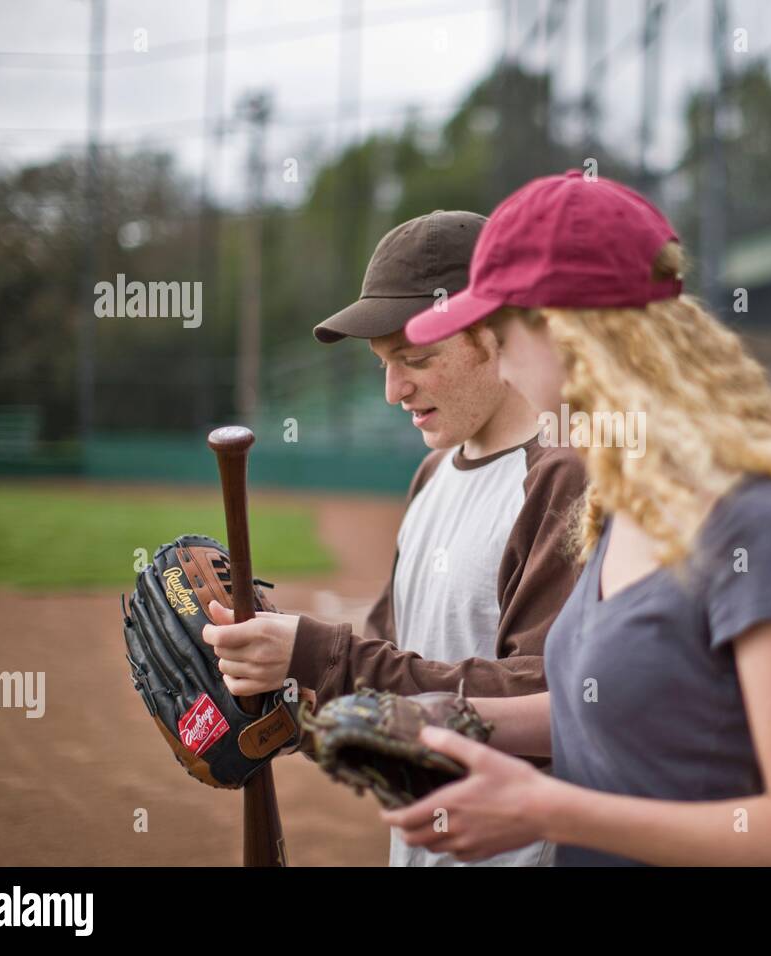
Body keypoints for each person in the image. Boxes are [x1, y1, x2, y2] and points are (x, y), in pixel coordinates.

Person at [378, 171, 771, 866]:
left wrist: (546, 809)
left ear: (562, 332)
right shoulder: (623, 502)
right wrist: (448, 719)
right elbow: (604, 709)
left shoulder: (756, 523)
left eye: (500, 339)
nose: (506, 372)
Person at [201, 210, 587, 867]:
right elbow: (388, 663)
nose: (392, 390)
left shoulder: (563, 479)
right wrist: (286, 693)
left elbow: (544, 699)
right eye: (383, 363)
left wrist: (319, 653)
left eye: (416, 359)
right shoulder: (433, 472)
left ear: (496, 333)